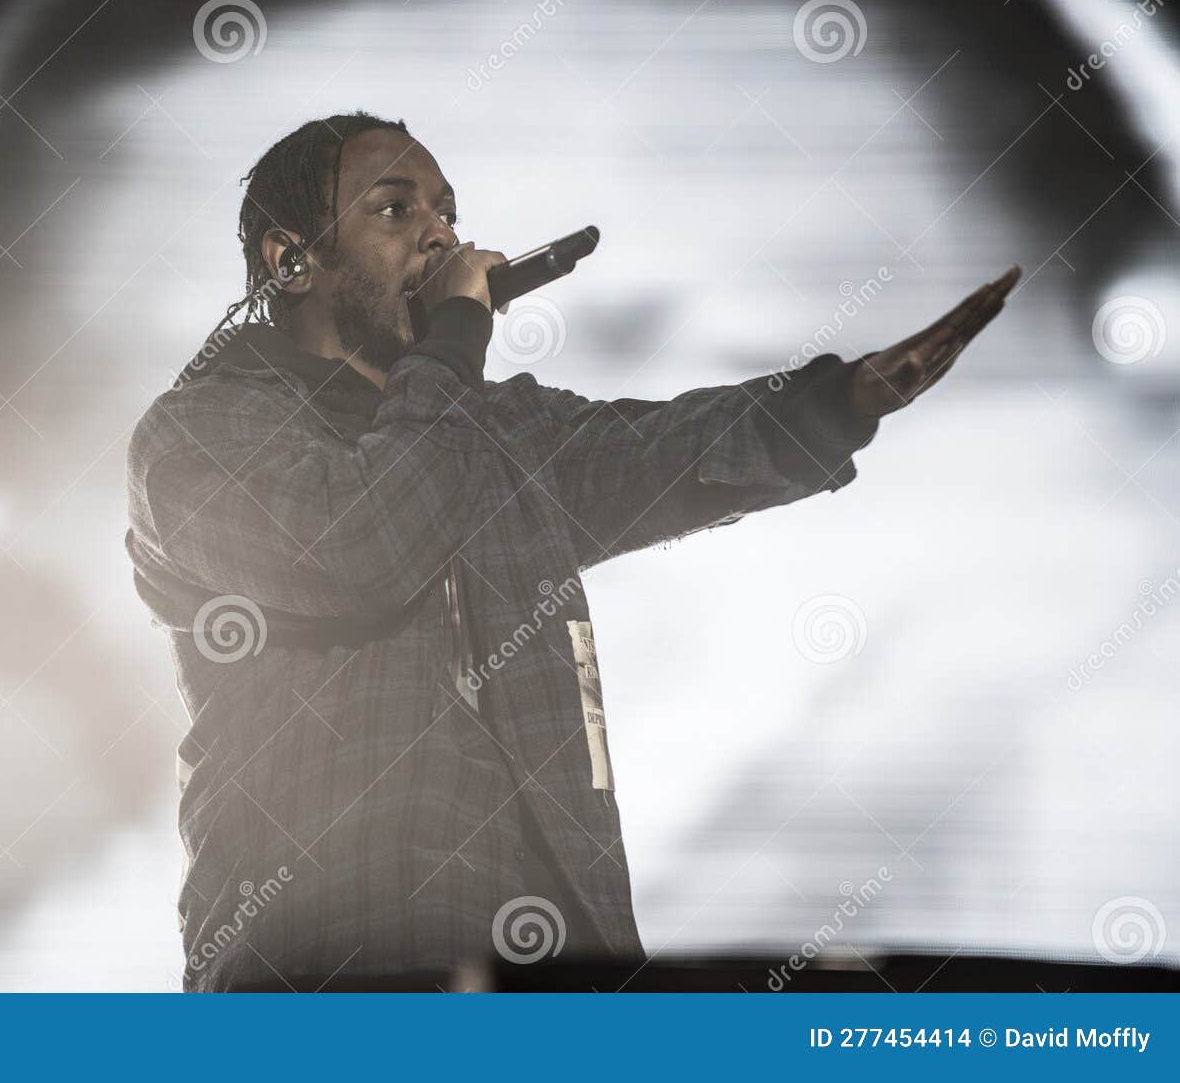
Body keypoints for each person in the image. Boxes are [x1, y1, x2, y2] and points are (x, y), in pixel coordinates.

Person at [125, 112, 1019, 991]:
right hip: (334, 966)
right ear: (294, 260)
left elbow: (665, 450)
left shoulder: (496, 430)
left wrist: (843, 400)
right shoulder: (201, 433)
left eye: (447, 213)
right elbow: (358, 546)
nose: (439, 237)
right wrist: (453, 342)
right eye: (395, 212)